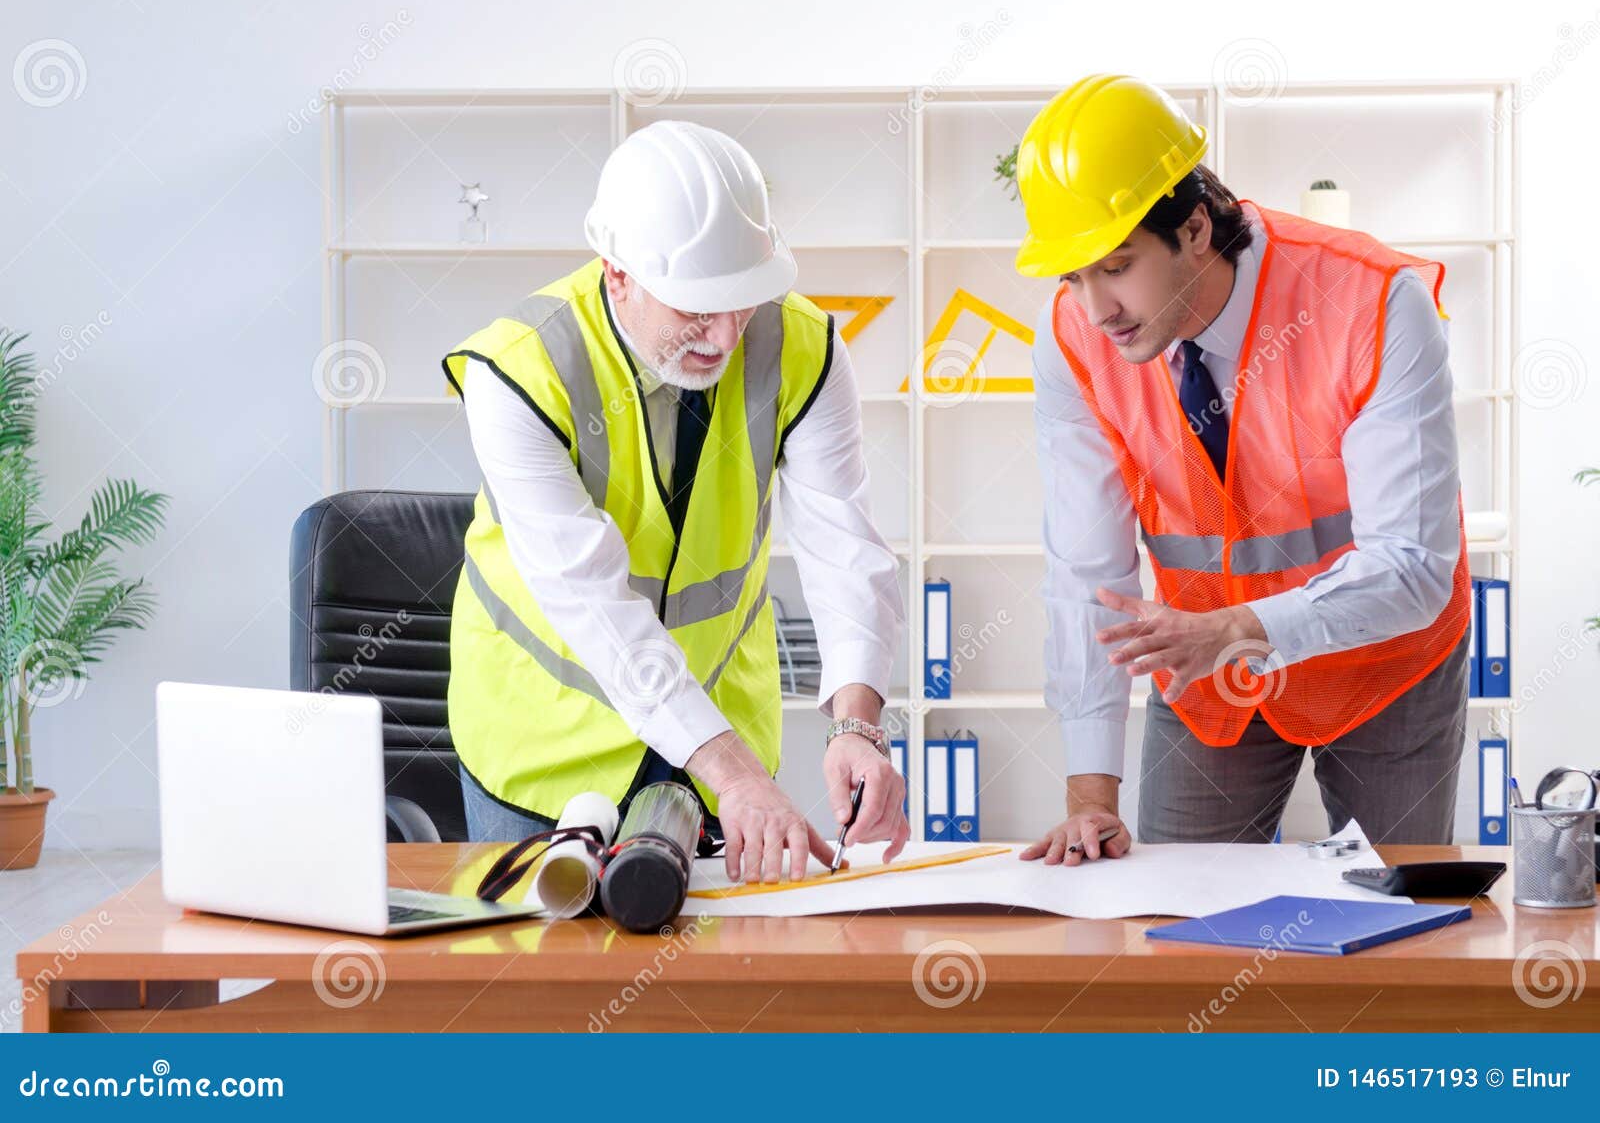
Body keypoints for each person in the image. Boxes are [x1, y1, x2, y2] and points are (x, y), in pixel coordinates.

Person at [1013, 75, 1470, 867]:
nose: (1095, 310)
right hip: (1206, 675)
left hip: (1384, 665)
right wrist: (1090, 793)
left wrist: (1240, 630)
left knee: (1401, 929)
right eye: (1073, 275)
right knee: (1173, 927)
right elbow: (1086, 573)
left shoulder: (1373, 303)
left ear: (1194, 228)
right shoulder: (1073, 343)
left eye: (1116, 266)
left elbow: (1414, 566)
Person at [442, 120, 907, 883]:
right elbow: (593, 601)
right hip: (544, 753)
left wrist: (858, 725)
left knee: (719, 985)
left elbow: (844, 548)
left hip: (719, 735)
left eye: (744, 300)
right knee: (536, 987)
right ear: (616, 272)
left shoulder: (805, 347)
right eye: (697, 305)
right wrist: (739, 780)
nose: (725, 336)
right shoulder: (517, 374)